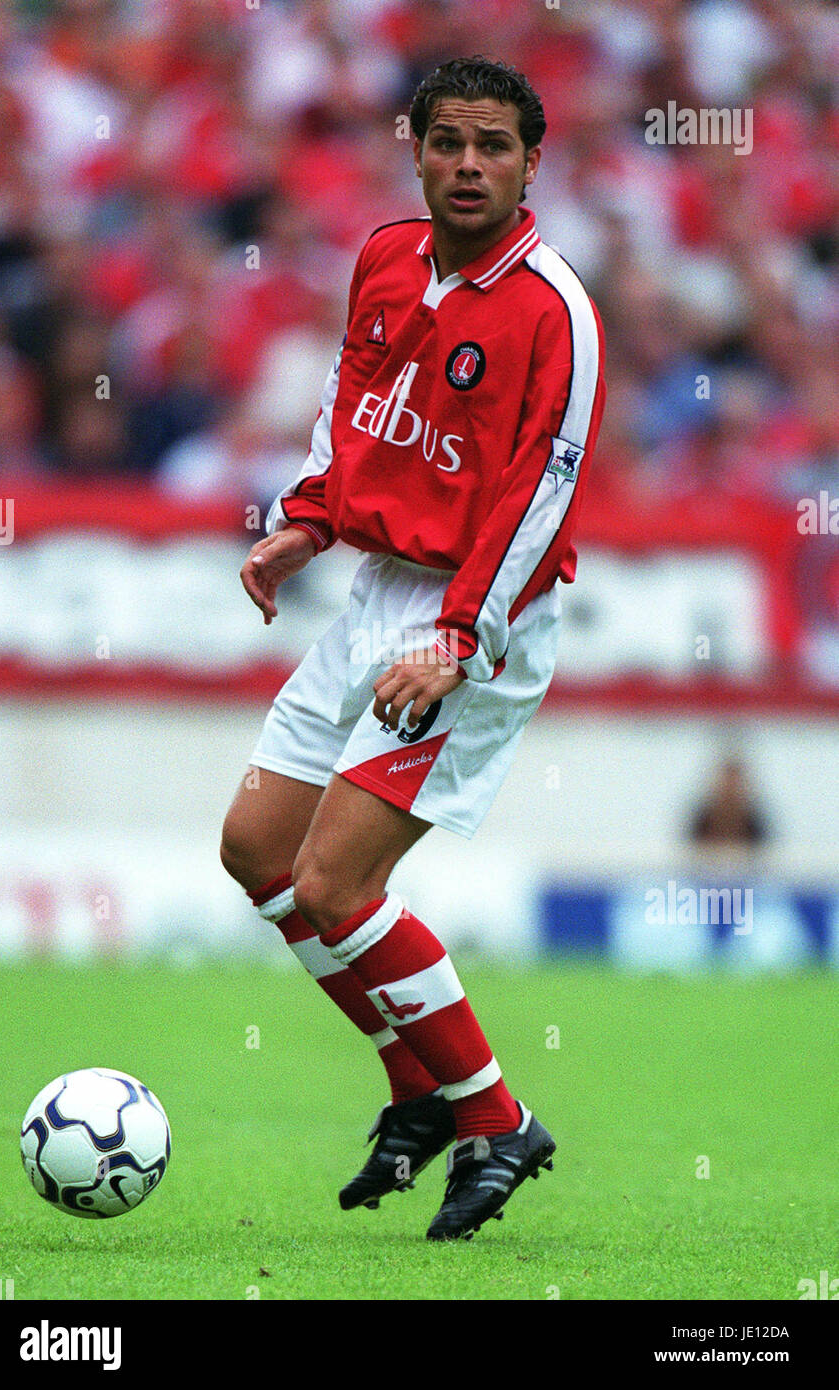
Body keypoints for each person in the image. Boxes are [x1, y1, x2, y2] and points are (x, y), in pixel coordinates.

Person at [221, 56, 606, 1240]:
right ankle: (415, 1088)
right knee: (256, 851)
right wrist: (306, 516)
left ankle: (494, 1116)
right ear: (418, 150)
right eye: (447, 143)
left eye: (493, 146)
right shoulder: (386, 255)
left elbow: (539, 498)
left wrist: (456, 638)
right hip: (378, 592)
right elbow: (353, 398)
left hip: (478, 618)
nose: (468, 165)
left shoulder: (554, 311)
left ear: (531, 161)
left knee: (337, 884)